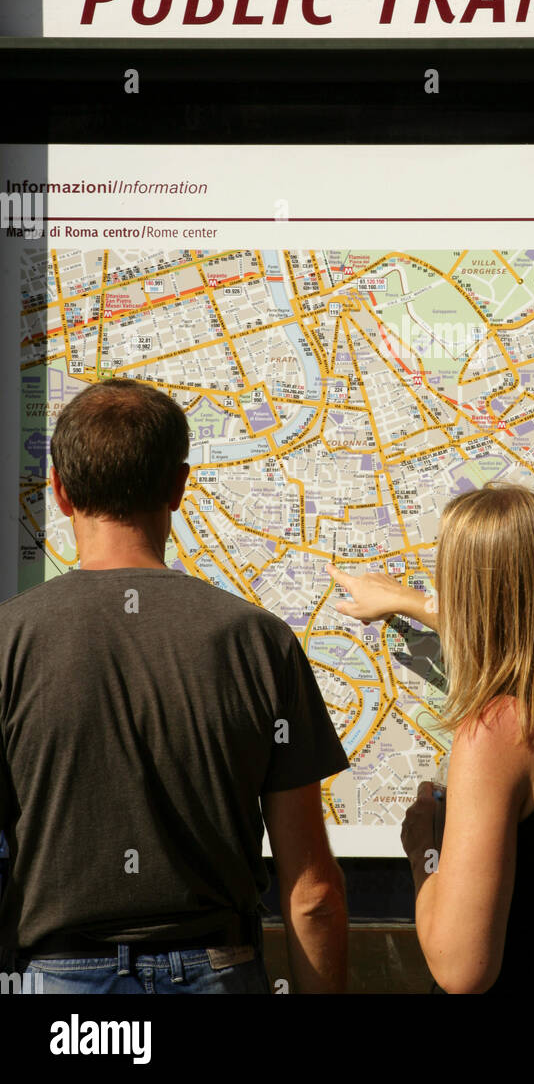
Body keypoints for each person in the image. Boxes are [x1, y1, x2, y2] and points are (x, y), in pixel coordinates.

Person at [0, 378, 349, 994]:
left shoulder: (9, 640)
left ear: (58, 491)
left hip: (55, 980)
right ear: (179, 487)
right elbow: (312, 891)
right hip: (218, 970)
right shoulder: (260, 642)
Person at [327, 482, 534, 995]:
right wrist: (407, 602)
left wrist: (425, 853)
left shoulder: (500, 730)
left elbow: (462, 971)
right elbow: (521, 624)